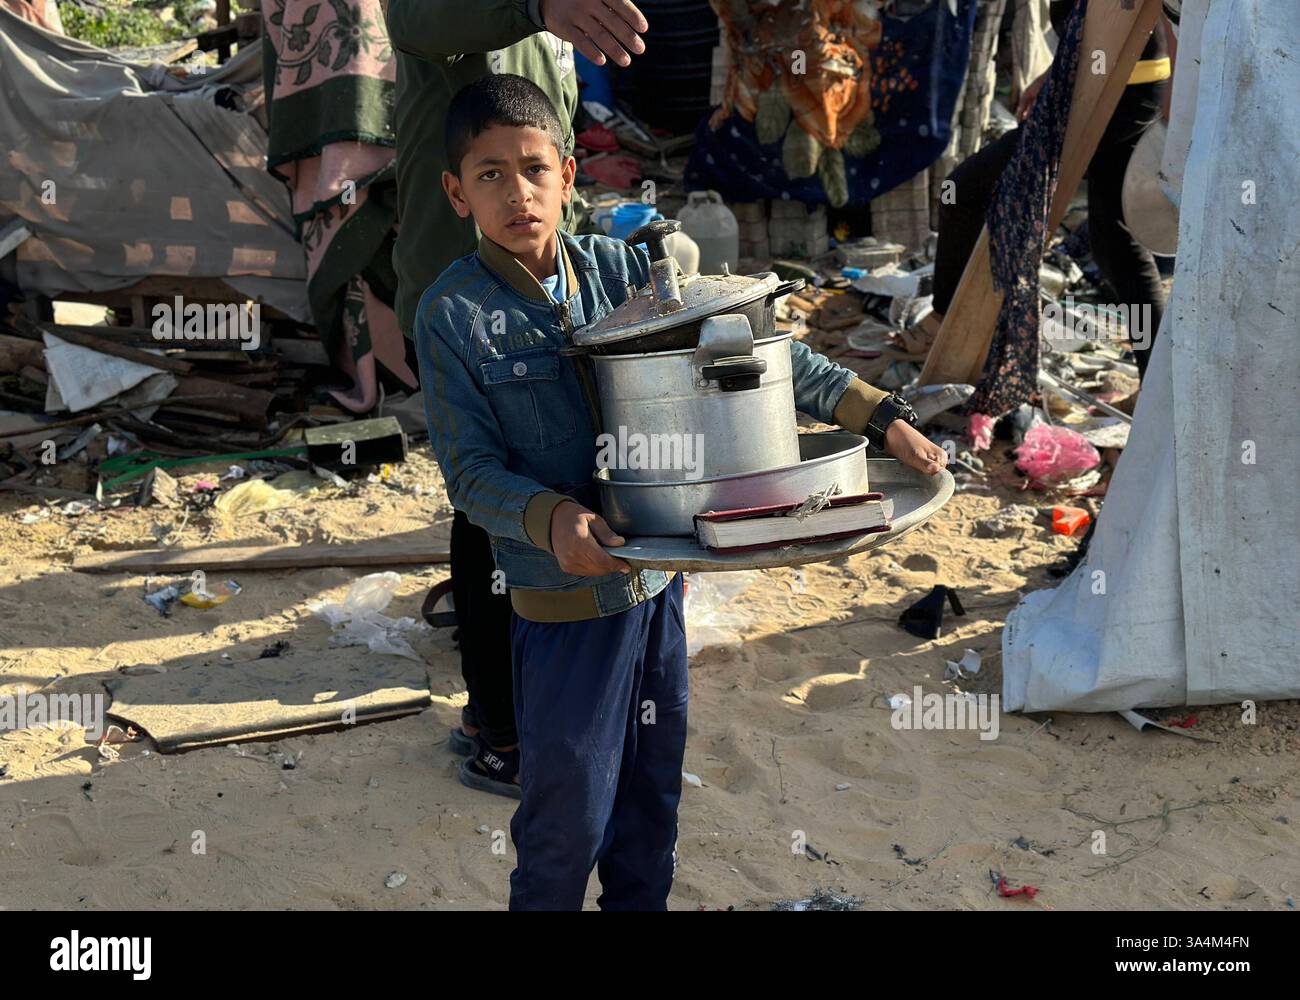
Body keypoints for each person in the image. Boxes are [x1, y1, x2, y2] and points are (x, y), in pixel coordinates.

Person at [415, 73, 948, 910]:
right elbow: (469, 473)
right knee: (565, 820)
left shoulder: (627, 273)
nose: (517, 193)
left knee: (650, 805)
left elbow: (764, 358)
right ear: (456, 192)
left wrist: (881, 417)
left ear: (566, 174)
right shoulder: (452, 314)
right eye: (490, 175)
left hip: (663, 574)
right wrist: (551, 518)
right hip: (564, 605)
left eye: (533, 169)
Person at [386, 0, 650, 797]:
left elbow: (548, 144)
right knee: (483, 512)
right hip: (462, 300)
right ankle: (498, 728)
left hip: (541, 299)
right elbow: (413, 23)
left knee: (552, 488)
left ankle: (532, 707)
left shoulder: (557, 38)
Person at [919, 0, 1171, 378]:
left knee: (963, 190)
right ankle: (1161, 382)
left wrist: (1178, 101)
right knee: (1115, 244)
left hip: (1117, 91)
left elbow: (1163, 15)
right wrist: (1052, 76)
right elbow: (1095, 26)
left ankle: (942, 321)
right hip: (1107, 84)